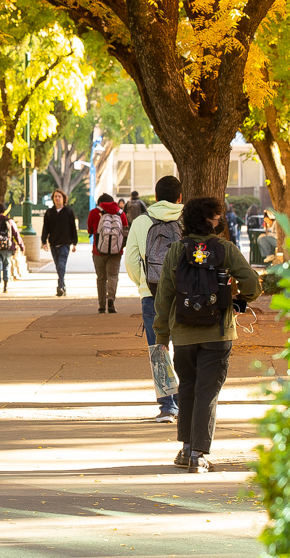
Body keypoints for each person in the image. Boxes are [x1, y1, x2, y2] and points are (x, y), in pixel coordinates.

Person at [154, 197, 260, 473]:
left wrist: (162, 336)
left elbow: (164, 297)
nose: (220, 220)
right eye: (217, 216)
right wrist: (236, 298)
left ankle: (187, 448)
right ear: (209, 220)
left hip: (183, 334)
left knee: (188, 387)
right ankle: (199, 453)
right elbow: (252, 283)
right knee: (207, 391)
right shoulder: (226, 249)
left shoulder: (176, 251)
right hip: (218, 332)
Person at [125, 175, 183, 423]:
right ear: (180, 197)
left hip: (152, 294)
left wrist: (143, 283)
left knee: (158, 349)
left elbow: (130, 260)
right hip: (184, 295)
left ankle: (167, 407)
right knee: (184, 345)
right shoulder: (186, 219)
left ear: (156, 197)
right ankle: (186, 401)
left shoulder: (141, 221)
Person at [87, 193, 129, 313]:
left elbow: (89, 229)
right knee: (113, 276)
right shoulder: (121, 213)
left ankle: (101, 305)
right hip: (116, 252)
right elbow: (126, 231)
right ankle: (111, 300)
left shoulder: (94, 212)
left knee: (101, 278)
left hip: (98, 251)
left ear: (100, 203)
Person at [40, 189, 78, 297]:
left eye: (59, 196)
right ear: (53, 199)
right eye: (55, 196)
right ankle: (63, 285)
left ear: (63, 198)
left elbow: (72, 228)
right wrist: (44, 241)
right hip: (53, 243)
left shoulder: (68, 212)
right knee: (58, 266)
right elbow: (45, 228)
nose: (57, 198)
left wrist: (74, 242)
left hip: (65, 244)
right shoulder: (49, 213)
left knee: (61, 265)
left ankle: (60, 287)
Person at [0, 203, 21, 294]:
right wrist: (21, 245)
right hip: (7, 248)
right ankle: (5, 286)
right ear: (4, 211)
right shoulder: (9, 221)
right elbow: (16, 234)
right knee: (6, 266)